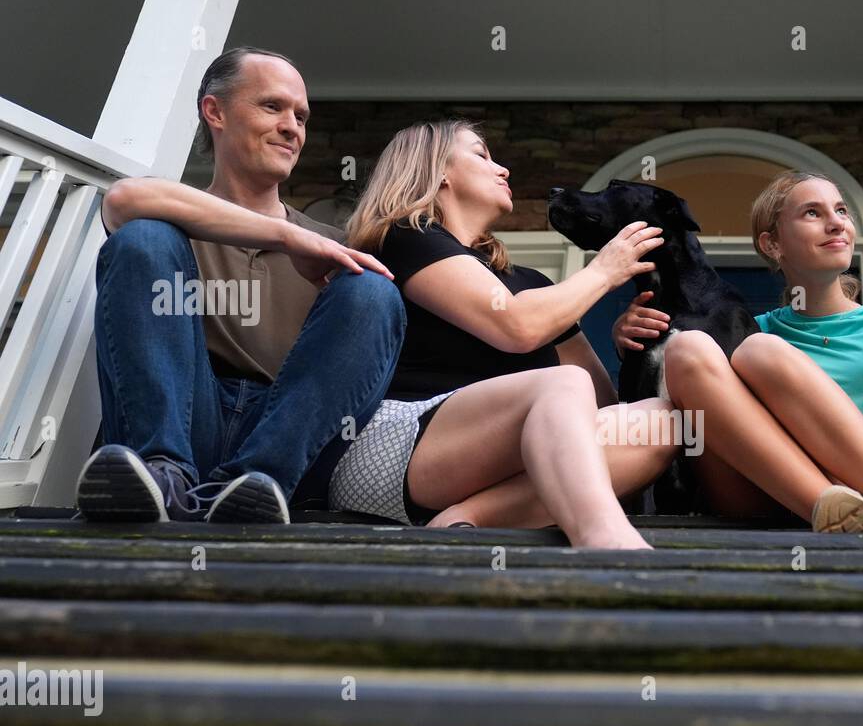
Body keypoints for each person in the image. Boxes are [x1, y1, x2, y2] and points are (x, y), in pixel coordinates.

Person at [76, 46, 405, 524]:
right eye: (272, 107)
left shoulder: (335, 250)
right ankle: (161, 473)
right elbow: (125, 198)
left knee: (373, 289)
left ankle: (256, 486)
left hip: (282, 438)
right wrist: (290, 235)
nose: (293, 127)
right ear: (215, 111)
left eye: (301, 116)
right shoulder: (173, 217)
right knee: (144, 237)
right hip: (184, 420)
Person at [335, 120, 678, 548]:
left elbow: (600, 405)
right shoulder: (405, 238)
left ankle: (468, 518)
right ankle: (605, 539)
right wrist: (603, 273)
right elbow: (516, 326)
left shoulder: (531, 283)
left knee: (662, 422)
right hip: (397, 452)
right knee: (561, 383)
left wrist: (623, 344)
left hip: (491, 473)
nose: (504, 170)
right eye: (481, 155)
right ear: (438, 171)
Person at [615, 171, 863, 533]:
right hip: (760, 494)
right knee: (692, 347)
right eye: (813, 214)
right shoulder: (745, 331)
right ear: (772, 245)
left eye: (841, 211)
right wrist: (637, 345)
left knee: (758, 351)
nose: (836, 224)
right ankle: (830, 506)